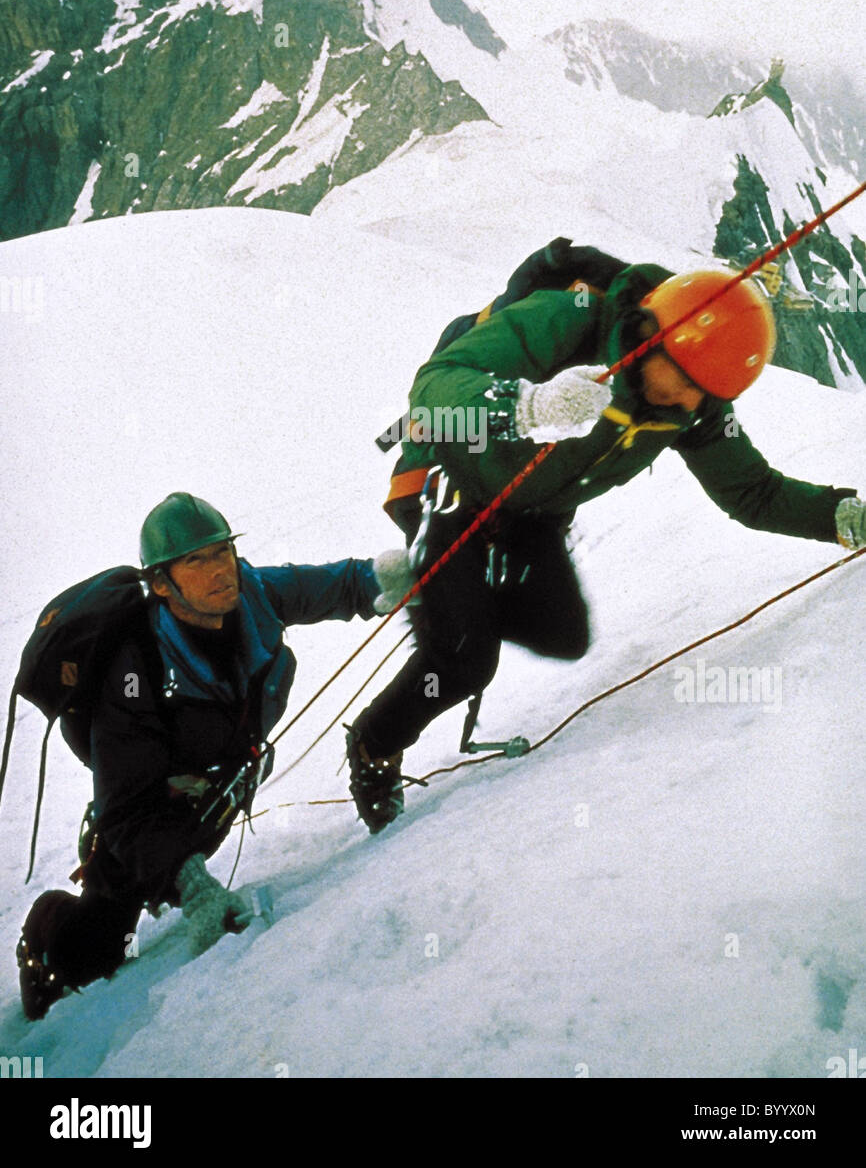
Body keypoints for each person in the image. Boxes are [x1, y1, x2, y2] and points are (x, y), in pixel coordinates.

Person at [346, 263, 866, 833]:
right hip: (450, 480)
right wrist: (527, 405)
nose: (692, 402)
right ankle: (375, 744)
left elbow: (751, 492)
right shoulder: (571, 319)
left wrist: (840, 517)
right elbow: (434, 392)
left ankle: (441, 596)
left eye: (708, 395)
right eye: (689, 383)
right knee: (467, 658)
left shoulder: (692, 402)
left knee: (562, 635)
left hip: (531, 510)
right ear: (652, 336)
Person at [16, 492, 412, 1019]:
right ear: (161, 583)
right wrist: (196, 887)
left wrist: (393, 578)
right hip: (143, 816)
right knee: (95, 952)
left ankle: (178, 864)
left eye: (221, 551)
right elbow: (126, 809)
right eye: (194, 561)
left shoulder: (253, 594)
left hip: (216, 790)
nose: (218, 570)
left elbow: (336, 585)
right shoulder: (133, 671)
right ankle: (46, 935)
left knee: (193, 838)